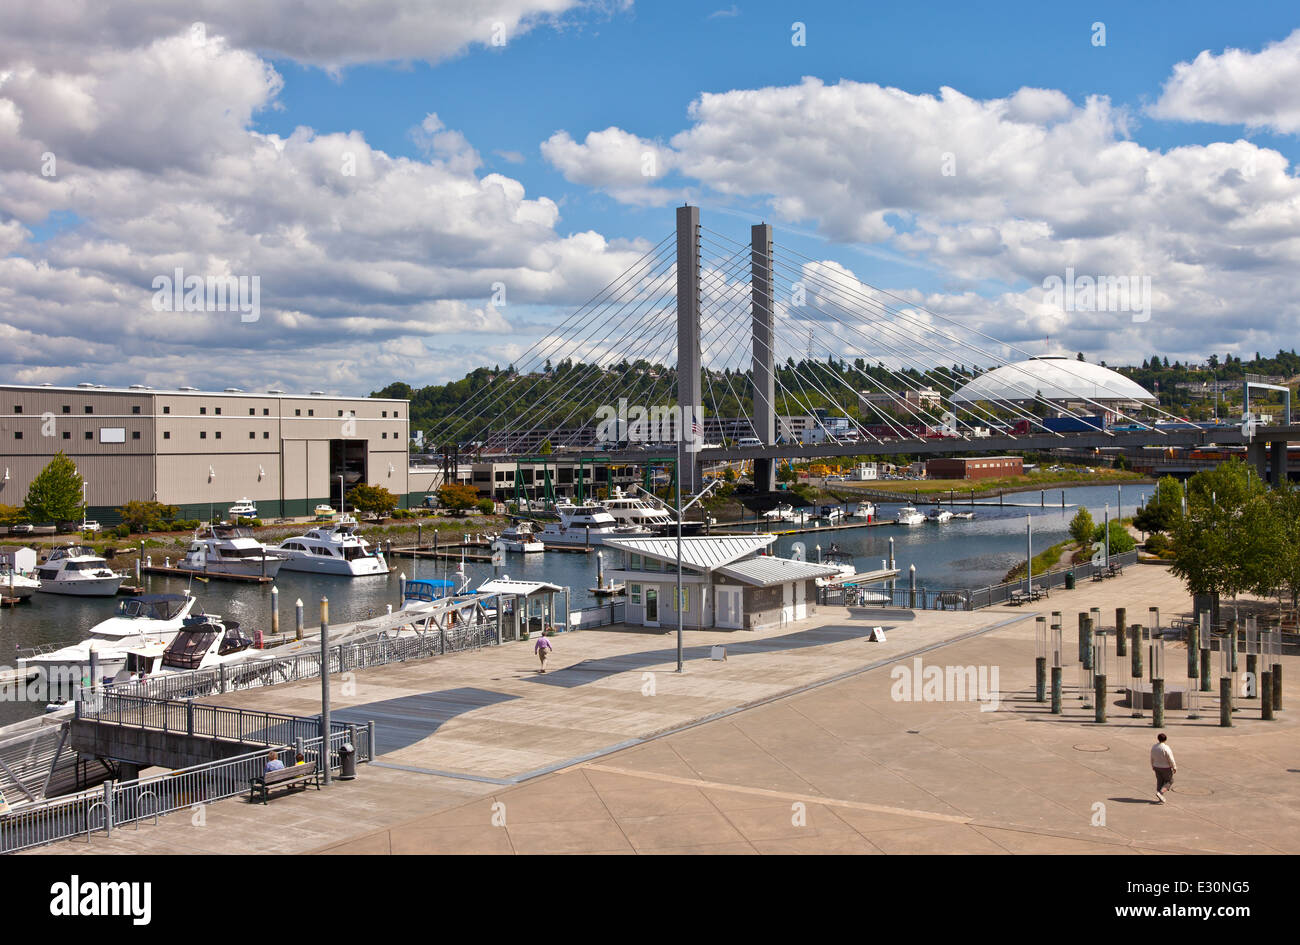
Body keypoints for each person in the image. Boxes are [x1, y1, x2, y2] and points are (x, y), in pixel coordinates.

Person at [1151, 733, 1176, 802]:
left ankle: (1160, 796)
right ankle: (1160, 793)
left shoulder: (1154, 747)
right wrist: (1174, 767)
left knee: (1160, 781)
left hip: (1156, 766)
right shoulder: (1166, 748)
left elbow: (1152, 757)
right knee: (1170, 781)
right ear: (1165, 739)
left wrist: (1152, 765)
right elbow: (1170, 758)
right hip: (1165, 767)